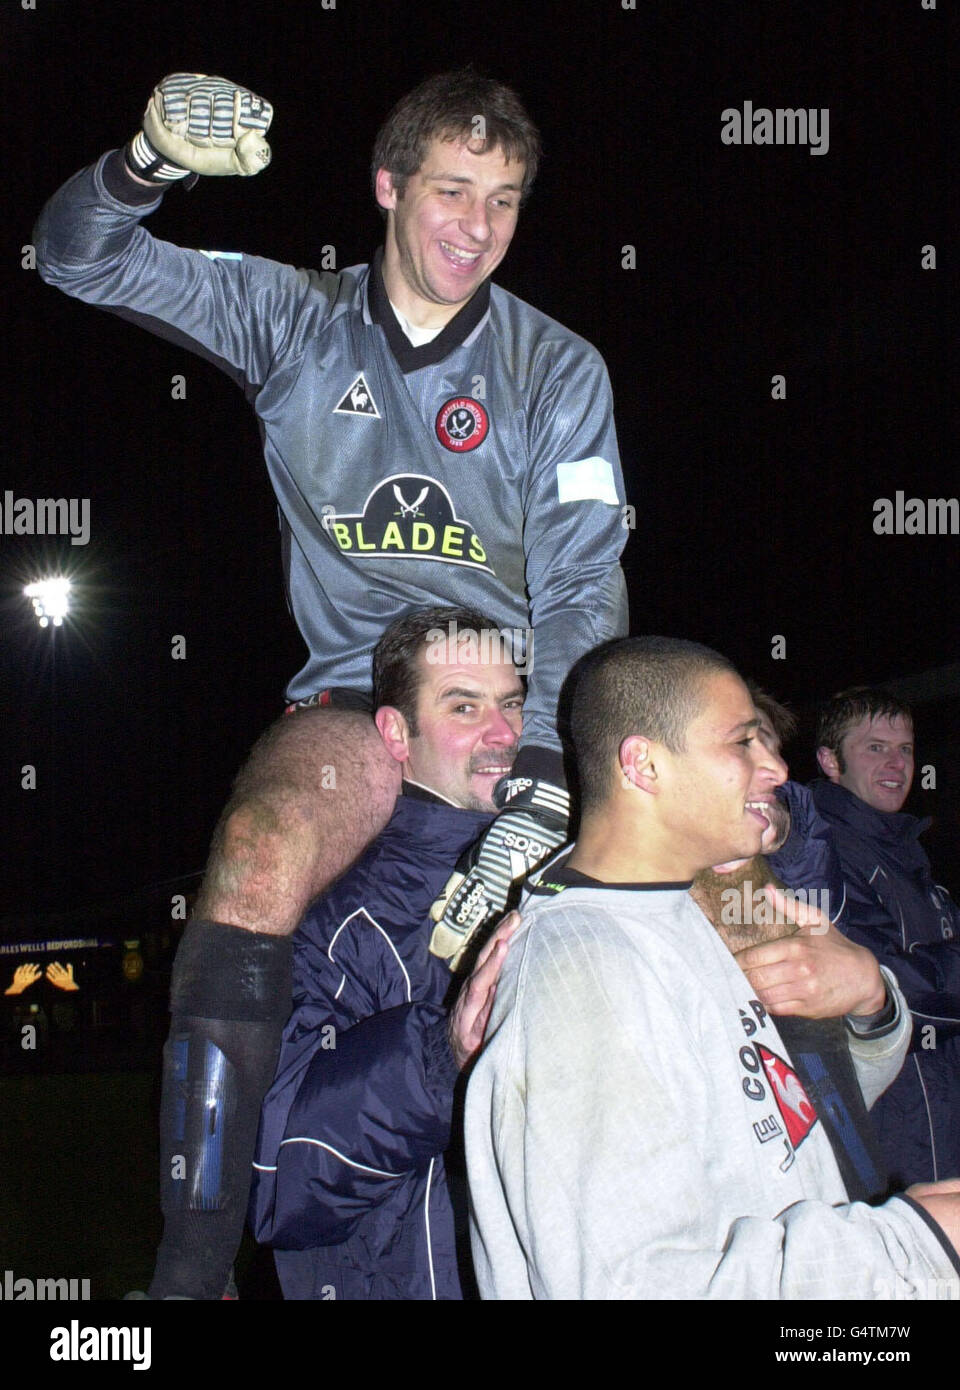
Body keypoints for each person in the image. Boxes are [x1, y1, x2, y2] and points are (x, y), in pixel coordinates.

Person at [34, 70, 627, 1298]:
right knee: (253, 854)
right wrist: (144, 162)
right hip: (358, 697)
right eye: (453, 190)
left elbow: (581, 587)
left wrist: (538, 773)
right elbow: (72, 257)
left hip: (511, 704)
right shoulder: (293, 319)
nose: (477, 224)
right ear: (388, 186)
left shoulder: (558, 368)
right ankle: (189, 1271)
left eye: (506, 201)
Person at [465, 637, 960, 1299]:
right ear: (643, 765)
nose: (776, 770)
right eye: (742, 743)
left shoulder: (686, 918)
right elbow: (639, 1288)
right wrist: (914, 1244)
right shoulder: (584, 968)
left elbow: (786, 1124)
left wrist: (873, 1000)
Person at [249, 605, 522, 1299]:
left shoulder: (569, 871)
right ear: (395, 733)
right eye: (464, 707)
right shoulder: (338, 918)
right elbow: (278, 1186)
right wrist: (441, 1061)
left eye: (512, 704)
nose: (503, 734)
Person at [812, 688, 960, 1187]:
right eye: (875, 748)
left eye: (906, 749)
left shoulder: (908, 856)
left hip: (941, 1118)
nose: (895, 763)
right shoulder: (822, 852)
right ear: (831, 762)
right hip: (889, 1128)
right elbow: (882, 983)